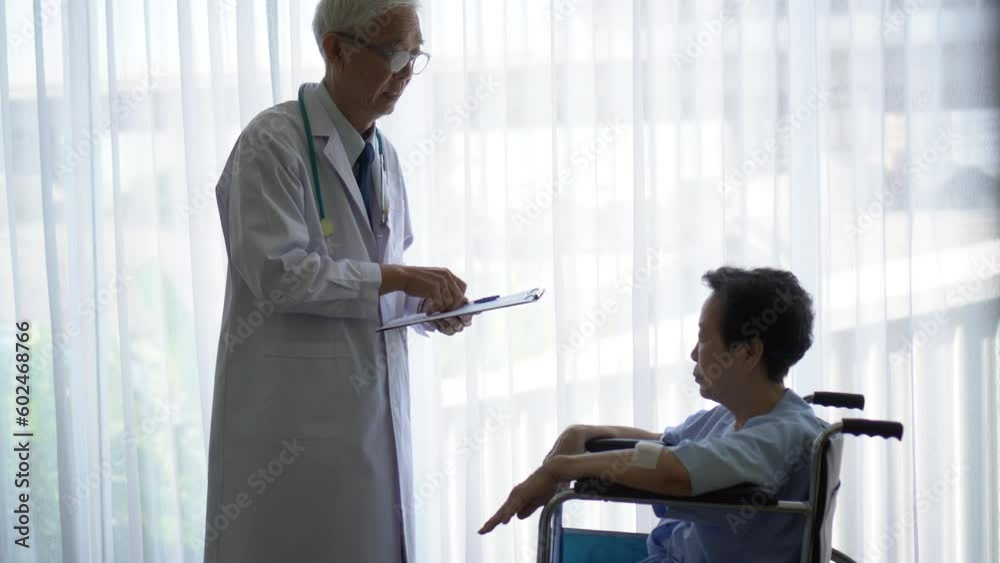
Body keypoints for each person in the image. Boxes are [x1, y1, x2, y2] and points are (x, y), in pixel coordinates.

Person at [205, 1, 467, 561]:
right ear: (336, 49)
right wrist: (398, 276)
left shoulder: (385, 154)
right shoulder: (271, 143)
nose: (405, 74)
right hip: (289, 439)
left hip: (369, 433)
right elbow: (279, 275)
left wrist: (430, 307)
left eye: (414, 58)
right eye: (395, 54)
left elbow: (383, 283)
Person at [479, 267, 826, 563]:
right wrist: (581, 435)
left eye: (704, 339)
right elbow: (659, 445)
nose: (694, 353)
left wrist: (559, 467)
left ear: (748, 353)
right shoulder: (729, 418)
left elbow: (675, 470)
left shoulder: (785, 435)